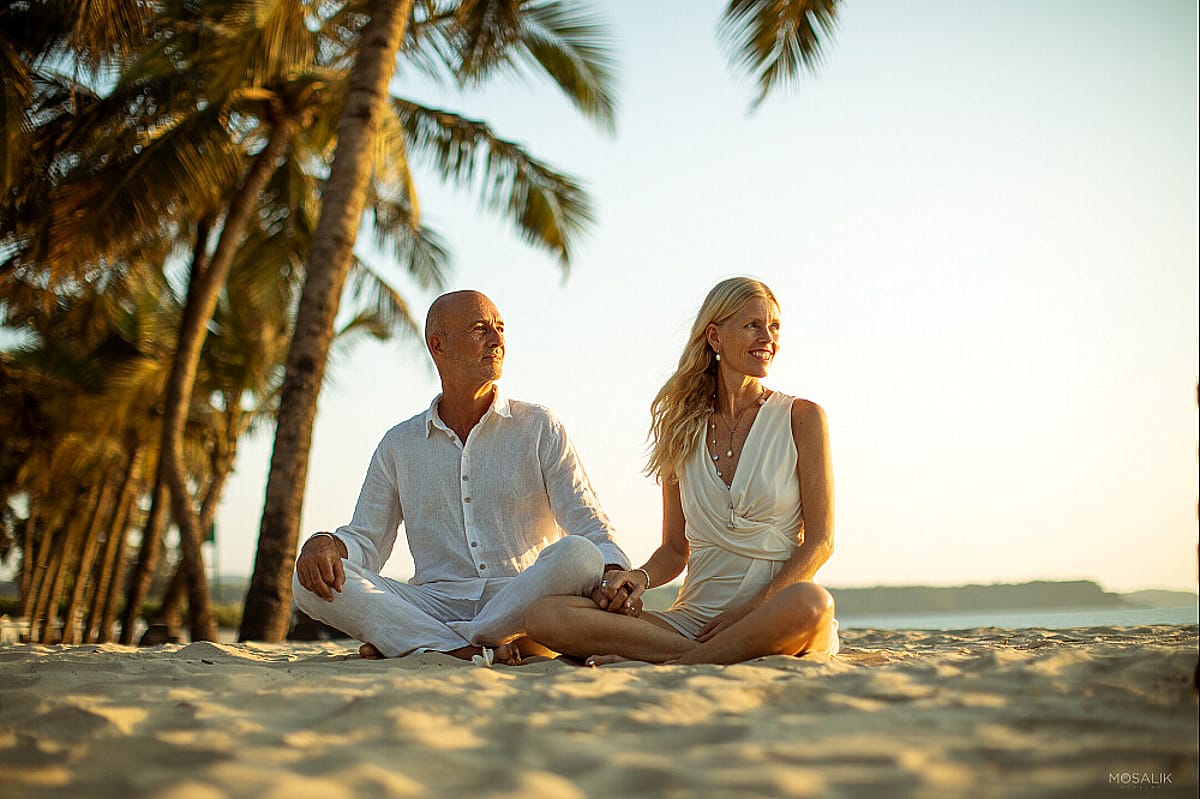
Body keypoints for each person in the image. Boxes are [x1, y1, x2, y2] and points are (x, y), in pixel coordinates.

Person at [293, 290, 629, 664]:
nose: (498, 340)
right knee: (307, 583)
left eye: (500, 328)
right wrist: (325, 543)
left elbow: (587, 519)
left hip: (520, 596)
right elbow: (366, 542)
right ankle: (466, 645)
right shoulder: (399, 443)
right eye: (479, 328)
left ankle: (441, 643)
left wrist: (613, 571)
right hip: (431, 602)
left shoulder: (539, 426)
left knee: (581, 554)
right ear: (439, 345)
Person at [526, 277, 839, 665]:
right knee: (545, 615)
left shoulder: (803, 418)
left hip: (773, 611)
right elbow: (675, 551)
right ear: (715, 337)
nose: (768, 338)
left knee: (812, 602)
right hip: (694, 620)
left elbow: (821, 542)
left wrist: (750, 610)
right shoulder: (680, 427)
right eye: (752, 325)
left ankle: (674, 662)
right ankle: (703, 655)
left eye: (774, 326)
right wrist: (637, 578)